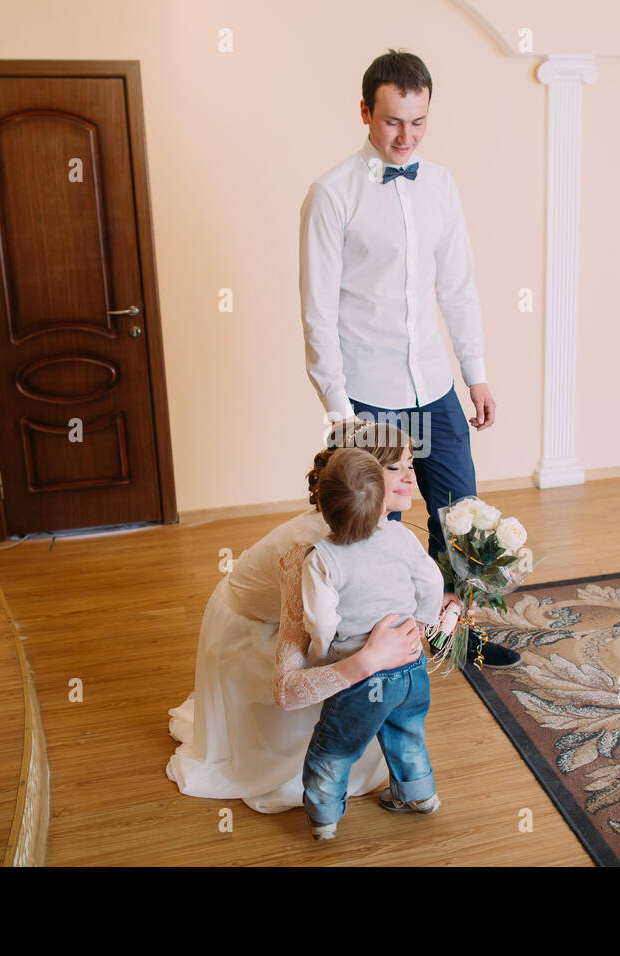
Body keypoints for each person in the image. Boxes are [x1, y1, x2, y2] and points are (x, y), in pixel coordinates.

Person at [298, 48, 519, 667]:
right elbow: (317, 313)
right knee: (376, 534)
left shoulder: (441, 186)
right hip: (366, 396)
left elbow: (458, 288)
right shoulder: (330, 194)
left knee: (461, 518)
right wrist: (340, 413)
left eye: (418, 122)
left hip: (434, 386)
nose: (406, 136)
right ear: (366, 112)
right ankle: (386, 649)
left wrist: (476, 374)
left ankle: (456, 635)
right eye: (394, 121)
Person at [165, 423, 426, 812]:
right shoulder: (309, 551)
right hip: (251, 627)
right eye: (395, 468)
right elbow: (289, 688)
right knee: (363, 666)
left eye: (410, 463)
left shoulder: (381, 529)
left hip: (309, 618)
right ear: (360, 473)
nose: (410, 477)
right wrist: (369, 658)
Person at [299, 447, 444, 839]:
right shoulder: (400, 536)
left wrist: (323, 652)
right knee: (407, 731)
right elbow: (432, 582)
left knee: (336, 746)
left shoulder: (322, 558)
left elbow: (320, 618)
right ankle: (420, 794)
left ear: (323, 508)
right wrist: (423, 621)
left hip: (365, 678)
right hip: (412, 666)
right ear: (382, 503)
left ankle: (325, 816)